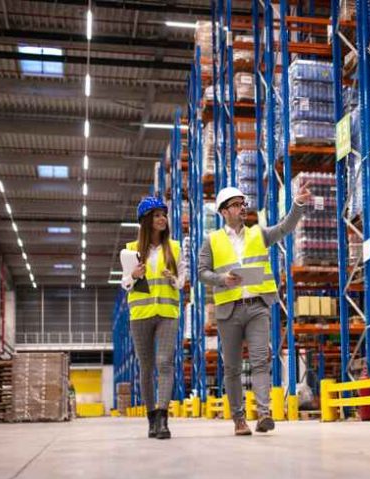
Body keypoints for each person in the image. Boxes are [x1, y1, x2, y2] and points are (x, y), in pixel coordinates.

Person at [198, 183, 312, 436]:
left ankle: (264, 414)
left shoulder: (257, 234)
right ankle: (239, 419)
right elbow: (202, 272)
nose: (242, 208)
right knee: (232, 368)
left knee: (261, 361)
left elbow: (284, 228)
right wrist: (222, 279)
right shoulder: (212, 241)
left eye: (243, 204)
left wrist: (298, 204)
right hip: (228, 311)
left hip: (257, 307)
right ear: (224, 211)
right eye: (236, 205)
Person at [120, 195, 186, 439]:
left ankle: (163, 419)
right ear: (146, 220)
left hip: (168, 313)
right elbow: (125, 284)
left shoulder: (175, 248)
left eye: (164, 215)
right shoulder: (131, 250)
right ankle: (151, 419)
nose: (162, 219)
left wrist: (173, 279)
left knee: (165, 362)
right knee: (146, 367)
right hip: (141, 314)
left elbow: (182, 282)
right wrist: (134, 275)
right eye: (157, 215)